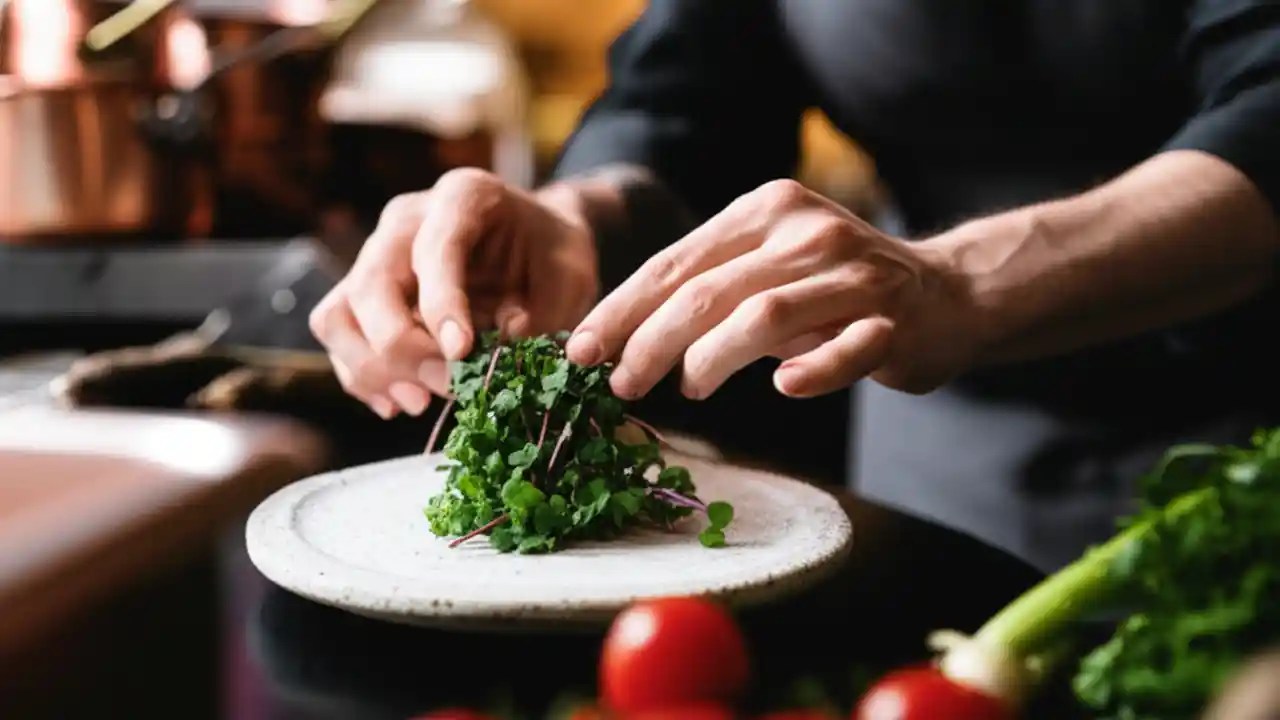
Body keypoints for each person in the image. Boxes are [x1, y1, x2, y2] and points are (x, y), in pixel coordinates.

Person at [307, 0, 1280, 571]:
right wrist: (576, 217)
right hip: (927, 456)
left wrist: (960, 280)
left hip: (1243, 449)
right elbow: (686, 92)